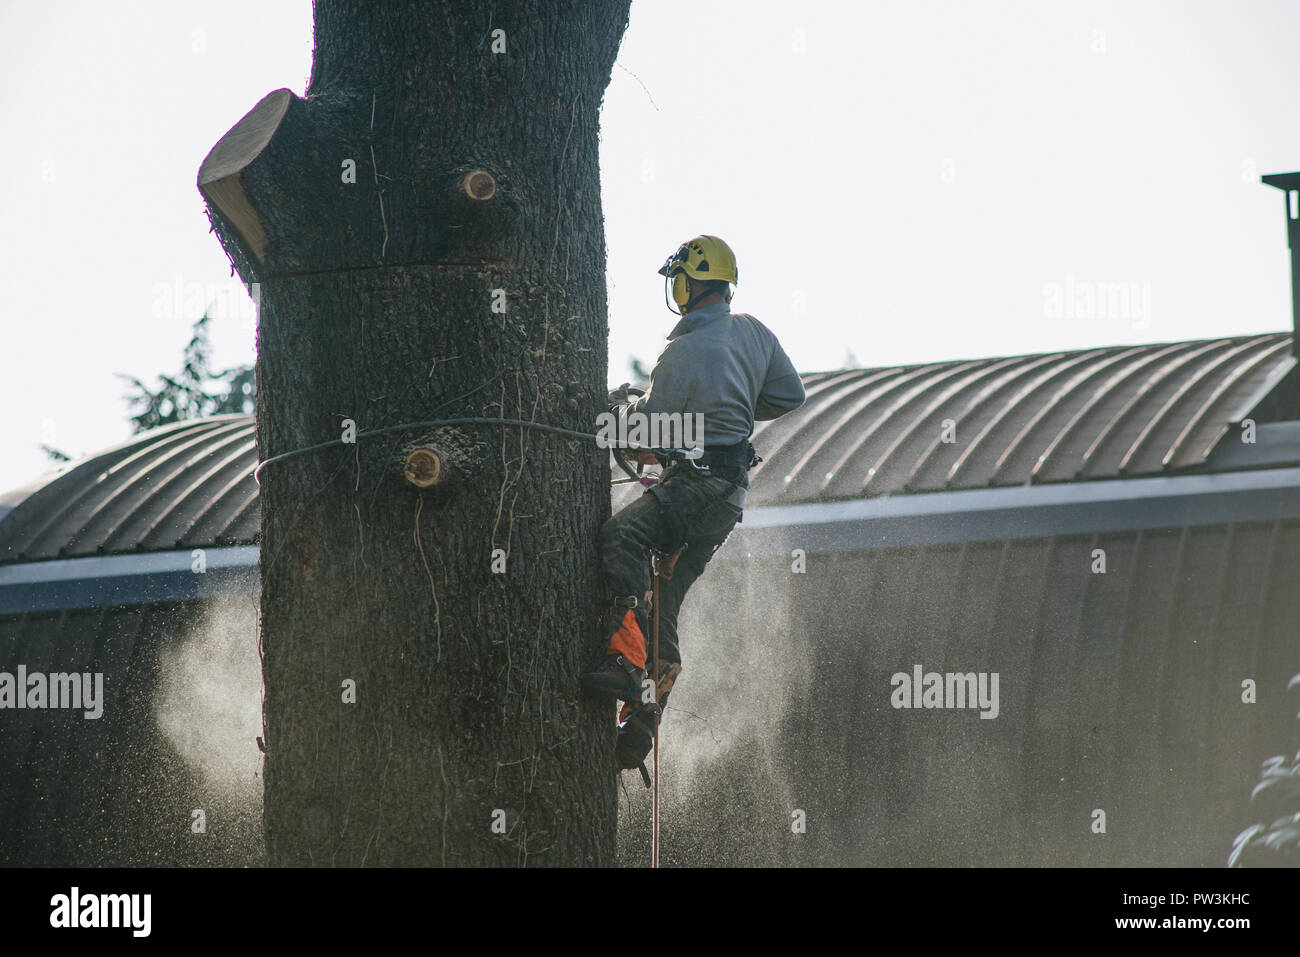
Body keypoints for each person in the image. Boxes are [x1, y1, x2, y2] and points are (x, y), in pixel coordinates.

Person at [581, 234, 806, 774]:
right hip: (727, 501)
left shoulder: (681, 350)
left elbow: (644, 431)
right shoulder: (754, 332)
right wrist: (733, 406)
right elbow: (789, 395)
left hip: (694, 490)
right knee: (665, 599)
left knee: (622, 538)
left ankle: (626, 658)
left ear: (687, 283)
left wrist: (617, 412)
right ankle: (643, 717)